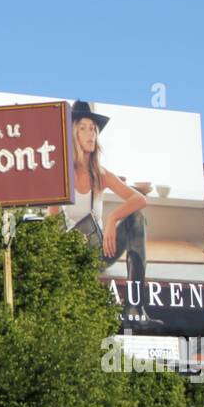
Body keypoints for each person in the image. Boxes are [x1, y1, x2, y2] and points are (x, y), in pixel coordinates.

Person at [58, 101, 155, 325]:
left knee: (137, 218)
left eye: (93, 128)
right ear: (73, 132)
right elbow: (52, 222)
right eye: (83, 127)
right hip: (71, 255)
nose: (90, 133)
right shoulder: (61, 174)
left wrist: (113, 219)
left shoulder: (100, 174)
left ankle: (135, 307)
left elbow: (139, 199)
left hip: (100, 251)